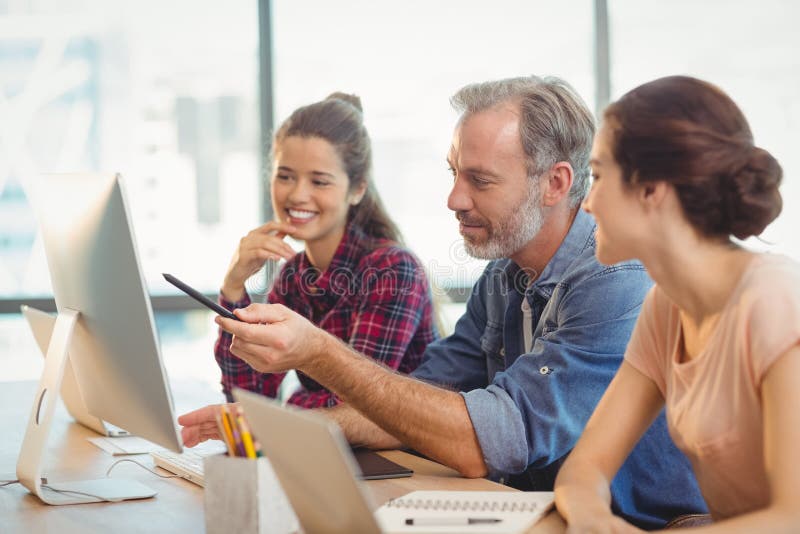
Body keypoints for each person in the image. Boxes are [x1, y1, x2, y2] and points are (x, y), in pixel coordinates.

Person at [180, 76, 706, 528]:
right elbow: (413, 402)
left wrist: (317, 352)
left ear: (555, 183)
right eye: (453, 173)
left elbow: (490, 442)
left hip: (653, 525)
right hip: (543, 513)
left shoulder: (615, 278)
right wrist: (287, 429)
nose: (454, 199)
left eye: (479, 180)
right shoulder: (503, 275)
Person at [554, 75, 800, 532]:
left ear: (651, 189)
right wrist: (591, 518)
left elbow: (793, 518)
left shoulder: (775, 300)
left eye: (600, 175)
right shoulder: (665, 308)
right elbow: (584, 469)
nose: (587, 203)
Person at [214, 92, 438, 408]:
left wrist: (294, 403)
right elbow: (250, 397)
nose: (297, 194)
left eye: (319, 182)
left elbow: (360, 402)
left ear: (357, 188)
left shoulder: (392, 269)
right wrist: (233, 286)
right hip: (333, 451)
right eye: (285, 176)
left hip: (401, 454)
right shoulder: (294, 275)